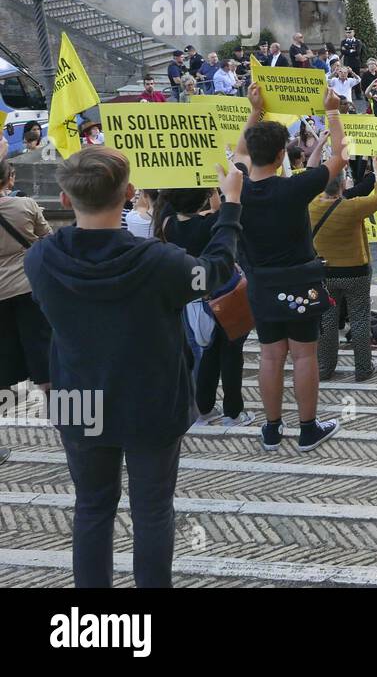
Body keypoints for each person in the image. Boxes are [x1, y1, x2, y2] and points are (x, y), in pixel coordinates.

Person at [25, 146, 243, 587]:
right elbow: (215, 272)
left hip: (76, 400)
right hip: (150, 399)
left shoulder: (40, 260)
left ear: (66, 200)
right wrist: (232, 206)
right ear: (128, 193)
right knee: (153, 509)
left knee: (91, 507)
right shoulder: (159, 262)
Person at [232, 83, 347, 452]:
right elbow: (340, 159)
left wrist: (255, 111)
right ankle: (308, 428)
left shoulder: (240, 187)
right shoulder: (294, 188)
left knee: (269, 354)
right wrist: (332, 111)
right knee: (303, 354)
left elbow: (238, 151)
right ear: (283, 154)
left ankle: (271, 428)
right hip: (300, 282)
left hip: (261, 283)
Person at [154, 186, 252, 427]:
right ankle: (234, 411)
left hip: (194, 297)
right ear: (204, 199)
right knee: (231, 354)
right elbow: (227, 210)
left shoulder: (167, 223)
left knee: (208, 351)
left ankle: (205, 407)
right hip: (224, 293)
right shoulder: (212, 223)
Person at [309, 156, 377, 382]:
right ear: (344, 184)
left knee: (327, 321)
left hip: (324, 273)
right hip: (356, 272)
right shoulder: (353, 207)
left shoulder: (311, 205)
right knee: (360, 319)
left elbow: (309, 173)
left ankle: (325, 368)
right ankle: (363, 369)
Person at [0, 155, 52, 397]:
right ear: (9, 179)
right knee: (40, 341)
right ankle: (51, 394)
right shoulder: (26, 205)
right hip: (27, 283)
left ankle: (4, 400)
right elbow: (48, 238)